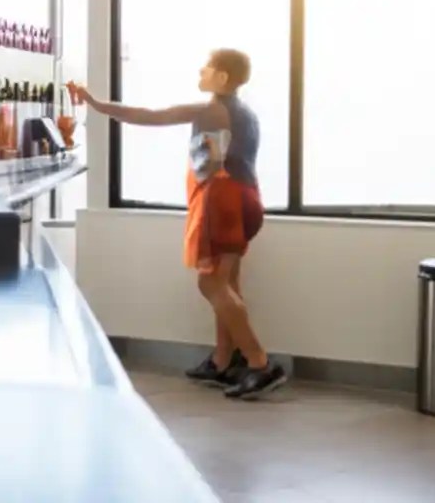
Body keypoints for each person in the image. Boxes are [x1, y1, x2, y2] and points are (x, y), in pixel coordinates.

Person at [71, 49, 286, 399]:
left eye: (208, 67)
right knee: (227, 283)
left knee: (210, 283)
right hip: (245, 197)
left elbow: (152, 116)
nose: (201, 70)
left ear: (222, 78)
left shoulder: (212, 108)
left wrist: (96, 103)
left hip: (223, 199)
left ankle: (260, 363)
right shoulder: (244, 112)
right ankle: (223, 362)